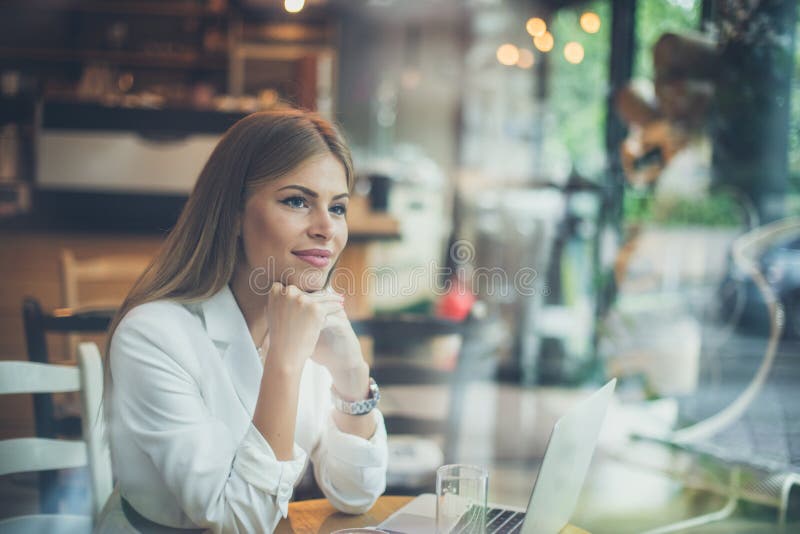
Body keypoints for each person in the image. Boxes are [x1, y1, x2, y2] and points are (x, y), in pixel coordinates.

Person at [94, 109, 388, 533]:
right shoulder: (152, 335)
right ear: (232, 212)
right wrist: (284, 363)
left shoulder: (309, 322)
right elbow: (237, 520)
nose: (327, 228)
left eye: (338, 207)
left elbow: (356, 493)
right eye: (297, 201)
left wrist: (351, 373)